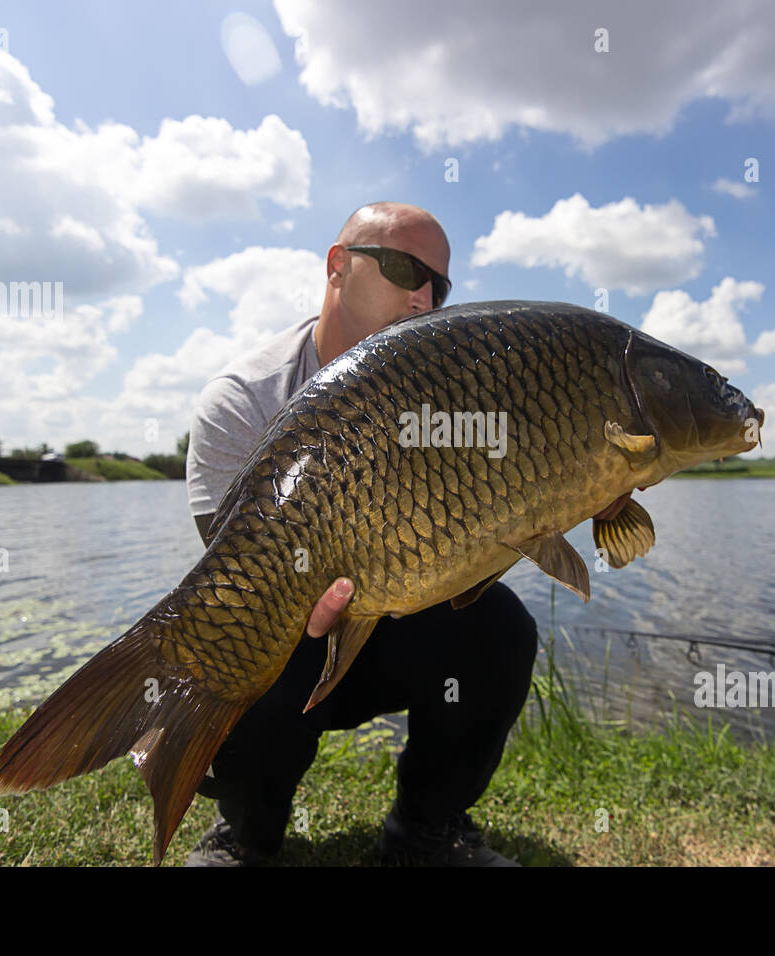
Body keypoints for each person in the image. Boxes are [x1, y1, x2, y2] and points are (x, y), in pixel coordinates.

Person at [184, 201, 552, 867]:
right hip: (290, 631)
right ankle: (246, 835)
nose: (422, 295)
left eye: (438, 286)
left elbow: (474, 539)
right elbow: (234, 572)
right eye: (403, 268)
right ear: (336, 267)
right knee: (235, 643)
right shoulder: (243, 399)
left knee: (501, 630)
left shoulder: (456, 394)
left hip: (399, 616)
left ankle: (426, 831)